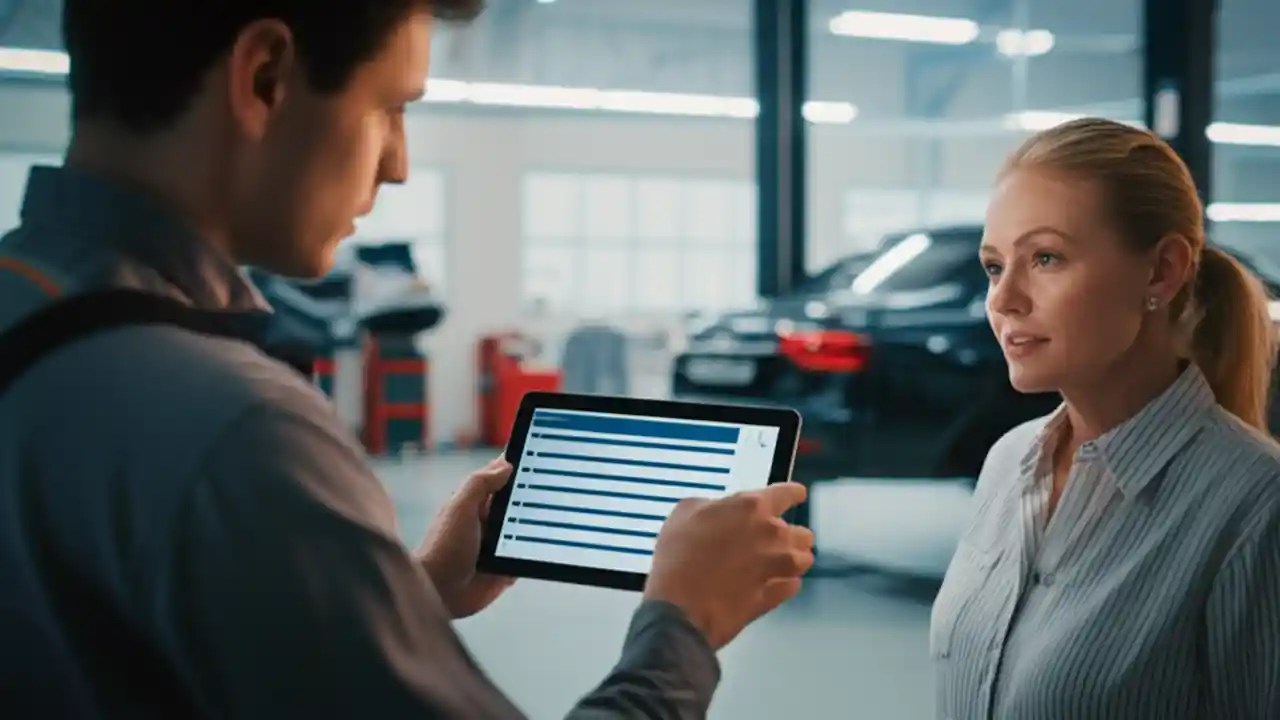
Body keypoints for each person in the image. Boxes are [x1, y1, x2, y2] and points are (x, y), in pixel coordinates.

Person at [0, 1, 816, 717]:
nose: (398, 164)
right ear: (266, 75)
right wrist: (682, 625)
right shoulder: (238, 428)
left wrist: (401, 595)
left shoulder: (27, 303)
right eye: (390, 107)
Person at [932, 116, 1280, 719]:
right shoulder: (1009, 460)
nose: (1003, 298)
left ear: (1162, 271)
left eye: (1045, 257)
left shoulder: (1256, 505)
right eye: (994, 266)